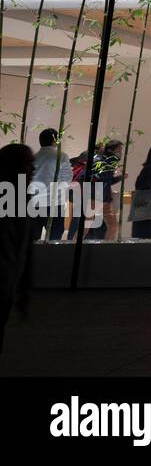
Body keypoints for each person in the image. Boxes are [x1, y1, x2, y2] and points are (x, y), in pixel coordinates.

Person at [0, 143, 35, 355]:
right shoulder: (14, 199)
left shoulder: (20, 199)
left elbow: (24, 248)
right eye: (27, 165)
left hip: (6, 286)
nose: (32, 170)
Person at [31, 128, 72, 241]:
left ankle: (35, 257)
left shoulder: (34, 157)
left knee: (34, 236)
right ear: (56, 140)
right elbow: (67, 177)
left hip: (35, 201)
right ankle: (51, 258)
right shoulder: (62, 156)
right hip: (55, 202)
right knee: (55, 236)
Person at [87, 140, 124, 240]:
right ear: (110, 150)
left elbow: (107, 181)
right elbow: (99, 178)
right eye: (118, 149)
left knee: (113, 226)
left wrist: (120, 176)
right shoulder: (99, 161)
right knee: (86, 225)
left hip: (105, 198)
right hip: (95, 197)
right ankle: (73, 246)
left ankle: (106, 248)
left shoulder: (110, 162)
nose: (120, 152)